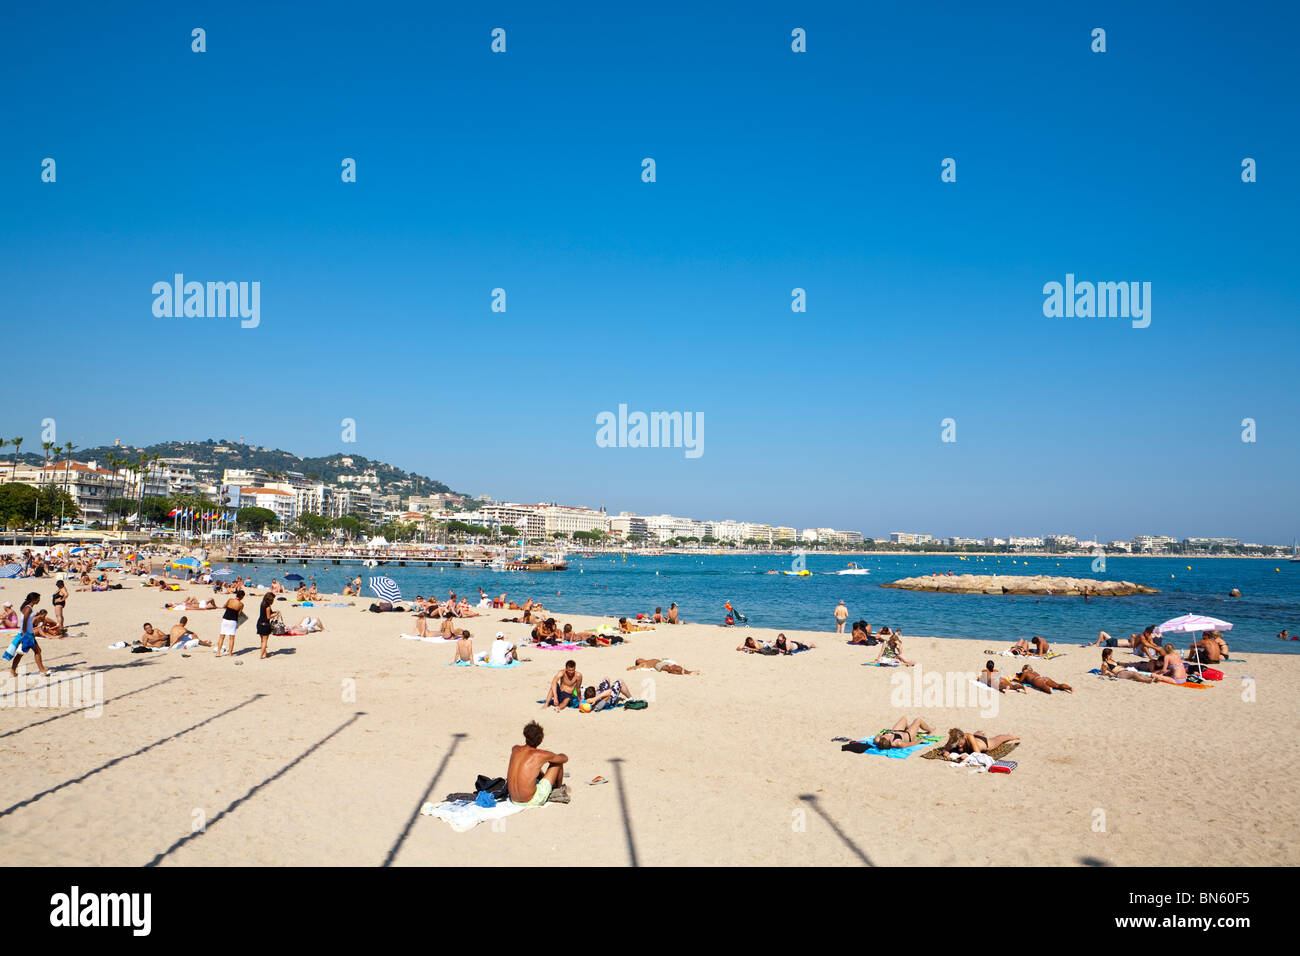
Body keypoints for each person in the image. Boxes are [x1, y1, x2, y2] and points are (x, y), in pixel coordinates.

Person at [507, 721, 569, 807]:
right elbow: (564, 759)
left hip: (513, 800)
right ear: (540, 740)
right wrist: (556, 756)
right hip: (531, 800)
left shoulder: (515, 749)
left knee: (533, 767)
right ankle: (557, 790)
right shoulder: (541, 754)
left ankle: (550, 786)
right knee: (557, 764)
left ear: (525, 736)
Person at [942, 728, 1020, 755]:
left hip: (984, 743)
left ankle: (1010, 736)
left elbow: (978, 754)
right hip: (976, 738)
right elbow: (946, 749)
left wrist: (965, 757)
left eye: (961, 743)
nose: (959, 745)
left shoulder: (969, 736)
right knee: (977, 734)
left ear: (963, 737)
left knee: (999, 738)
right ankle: (980, 732)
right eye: (957, 744)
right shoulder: (953, 737)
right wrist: (946, 752)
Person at [216, 589, 245, 658]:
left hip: (226, 618)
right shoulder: (241, 604)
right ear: (242, 597)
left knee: (222, 636)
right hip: (233, 620)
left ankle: (218, 652)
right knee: (231, 638)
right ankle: (230, 653)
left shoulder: (230, 600)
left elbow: (224, 606)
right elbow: (238, 614)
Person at [255, 592, 275, 660]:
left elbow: (266, 613)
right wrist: (276, 615)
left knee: (262, 640)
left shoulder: (262, 604)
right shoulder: (268, 607)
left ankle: (265, 653)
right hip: (265, 625)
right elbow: (268, 617)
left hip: (259, 623)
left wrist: (274, 612)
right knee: (265, 641)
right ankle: (261, 655)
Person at [627, 658, 699, 675]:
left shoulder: (649, 659)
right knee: (670, 669)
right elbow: (633, 668)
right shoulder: (642, 664)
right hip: (658, 665)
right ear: (639, 662)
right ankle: (689, 673)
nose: (641, 658)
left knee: (675, 666)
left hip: (662, 662)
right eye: (639, 659)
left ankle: (688, 672)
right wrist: (632, 667)